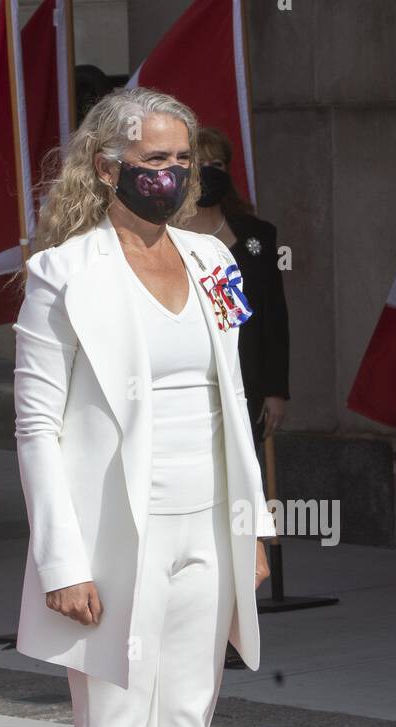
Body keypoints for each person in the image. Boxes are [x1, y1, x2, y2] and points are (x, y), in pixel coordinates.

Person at [12, 87, 277, 727]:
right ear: (107, 167)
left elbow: (232, 402)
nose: (169, 177)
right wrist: (62, 560)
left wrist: (254, 528)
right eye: (152, 162)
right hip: (113, 535)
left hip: (208, 523)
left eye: (182, 163)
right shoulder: (62, 274)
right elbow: (38, 424)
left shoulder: (211, 257)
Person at [178, 126, 290, 669]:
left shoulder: (251, 236)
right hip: (181, 390)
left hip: (240, 387)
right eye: (195, 161)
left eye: (214, 160)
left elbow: (268, 318)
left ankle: (232, 622)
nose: (206, 168)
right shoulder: (159, 234)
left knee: (235, 501)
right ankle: (190, 619)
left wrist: (275, 389)